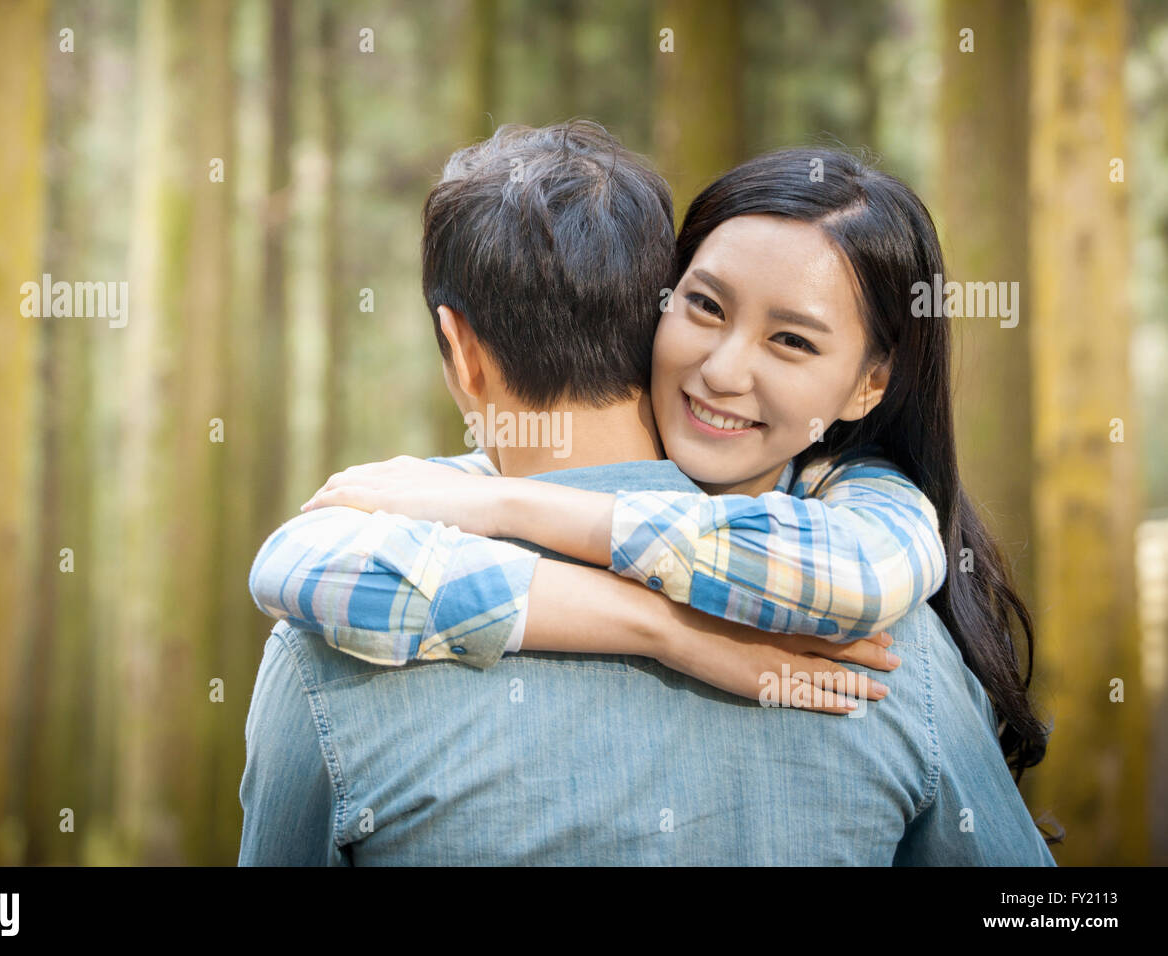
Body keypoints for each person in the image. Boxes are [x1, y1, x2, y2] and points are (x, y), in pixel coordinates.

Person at [238, 122, 1055, 864]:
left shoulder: (336, 649)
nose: (725, 370)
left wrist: (519, 518)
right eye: (707, 307)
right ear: (653, 308)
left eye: (792, 340)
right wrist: (669, 632)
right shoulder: (885, 651)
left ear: (459, 349)